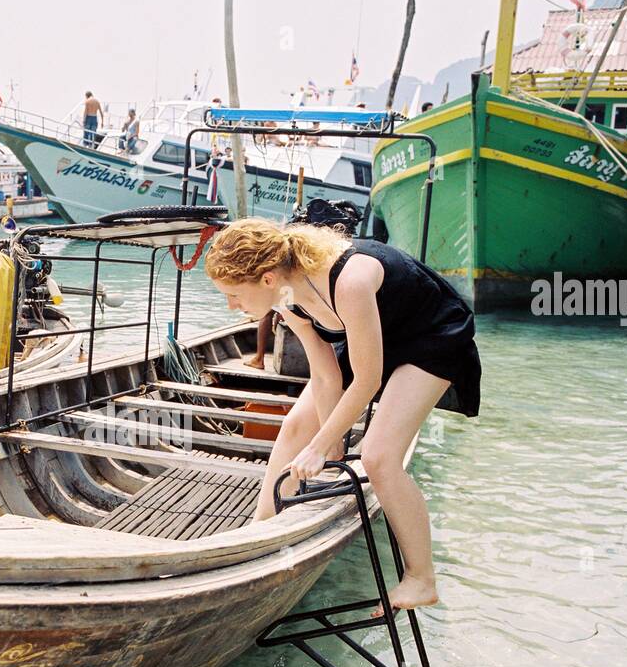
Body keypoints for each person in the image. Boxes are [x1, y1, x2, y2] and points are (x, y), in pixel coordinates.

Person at [205, 219, 481, 614]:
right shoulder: (286, 297)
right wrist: (328, 440)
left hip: (429, 338)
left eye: (232, 295)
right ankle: (261, 527)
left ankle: (422, 578)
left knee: (379, 456)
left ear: (266, 278)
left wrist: (319, 449)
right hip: (368, 339)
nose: (231, 305)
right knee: (296, 424)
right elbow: (325, 373)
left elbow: (367, 379)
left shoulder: (350, 281)